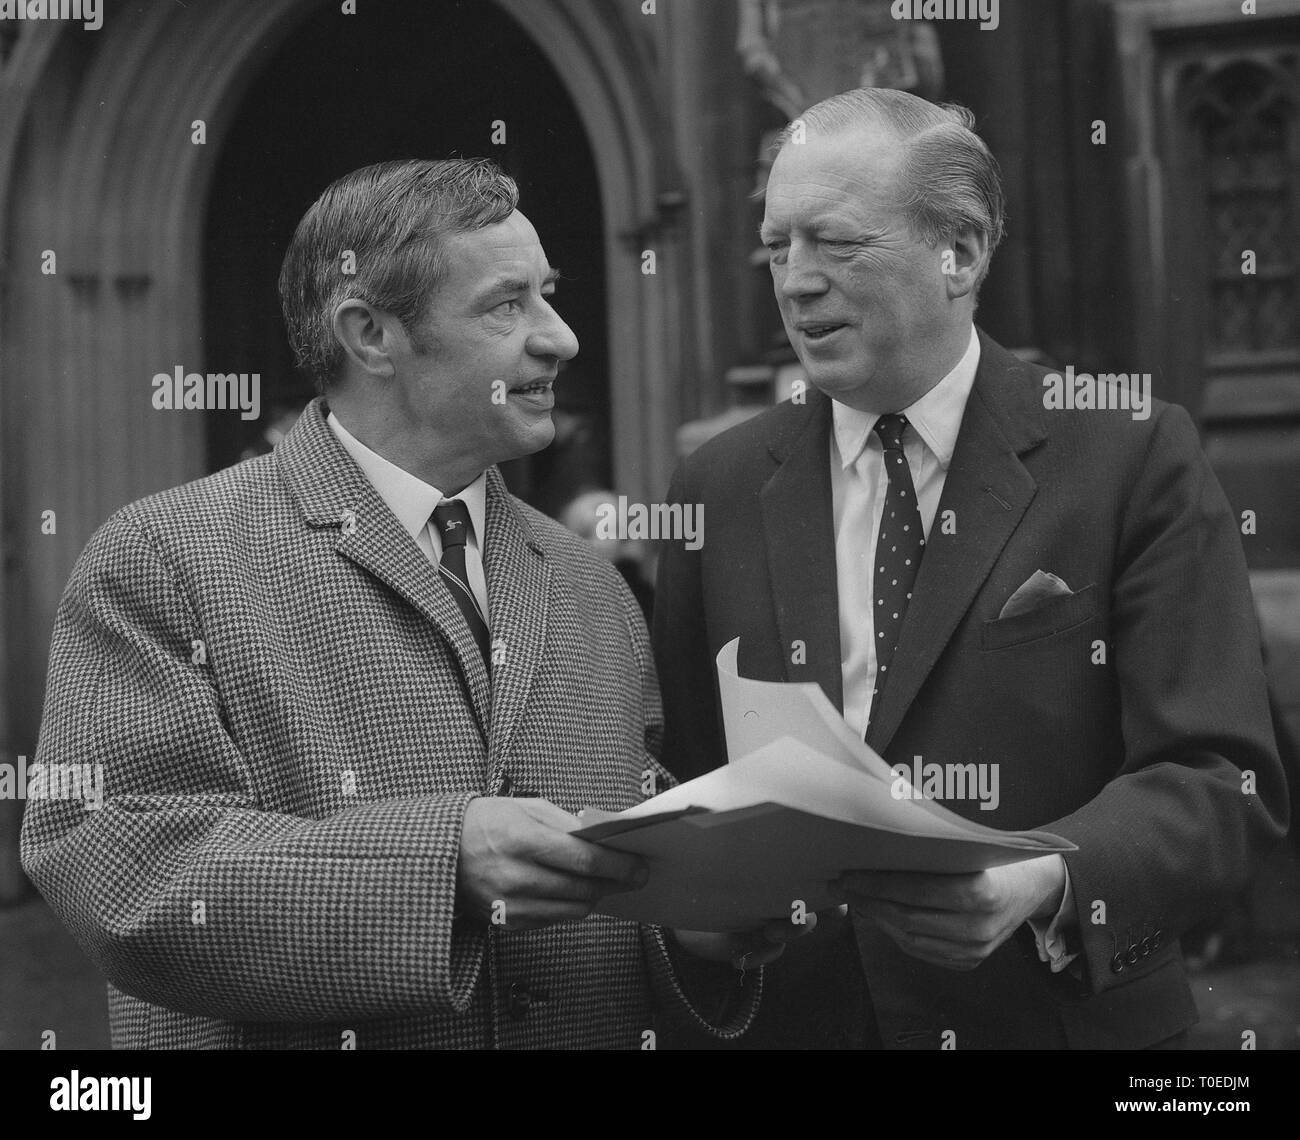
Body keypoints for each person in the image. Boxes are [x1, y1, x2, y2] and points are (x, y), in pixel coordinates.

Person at [21, 158, 805, 1050]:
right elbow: (119, 869)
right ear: (370, 335)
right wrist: (443, 869)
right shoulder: (163, 559)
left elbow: (622, 877)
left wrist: (689, 927)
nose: (562, 338)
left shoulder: (589, 583)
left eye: (549, 295)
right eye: (507, 305)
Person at [652, 89, 1289, 1049]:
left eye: (837, 243)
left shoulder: (1128, 453)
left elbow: (1220, 780)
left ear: (962, 250)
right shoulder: (720, 483)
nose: (796, 281)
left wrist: (1041, 877)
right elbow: (692, 782)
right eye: (777, 246)